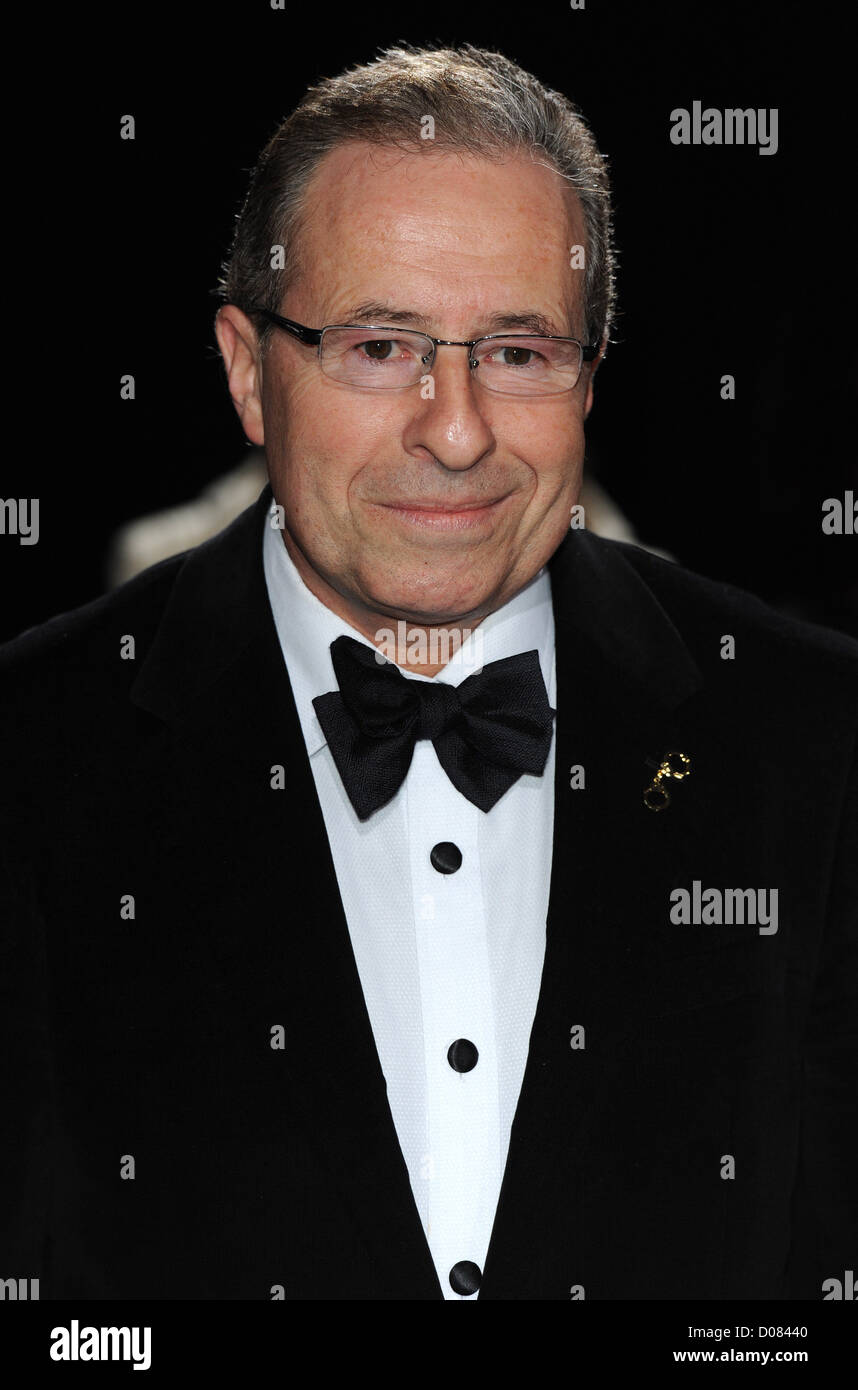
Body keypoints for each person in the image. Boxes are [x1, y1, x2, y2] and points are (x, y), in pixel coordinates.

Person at [1, 43, 855, 1302]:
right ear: (247, 370)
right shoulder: (28, 754)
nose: (454, 431)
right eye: (380, 345)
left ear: (592, 374)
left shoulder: (821, 739)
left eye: (517, 352)